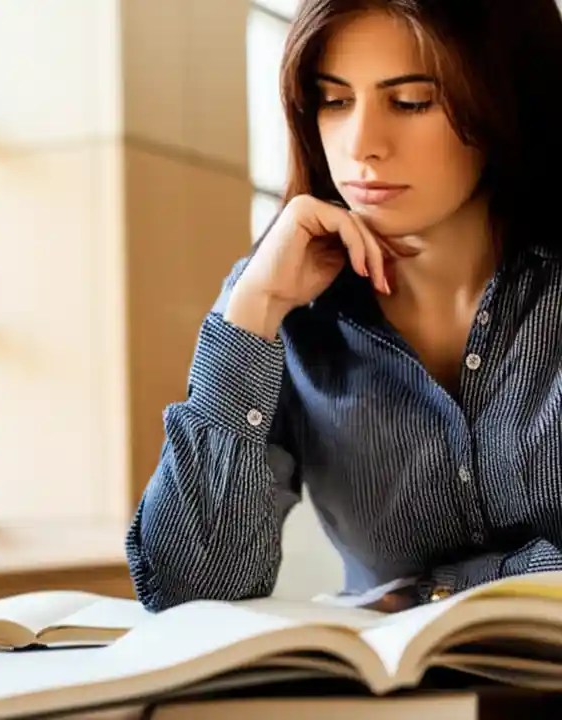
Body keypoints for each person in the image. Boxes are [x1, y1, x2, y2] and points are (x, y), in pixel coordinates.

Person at [126, 0, 562, 613]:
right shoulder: (285, 308)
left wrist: (429, 593)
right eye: (334, 100)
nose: (363, 146)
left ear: (507, 100)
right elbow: (187, 596)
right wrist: (255, 308)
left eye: (411, 102)